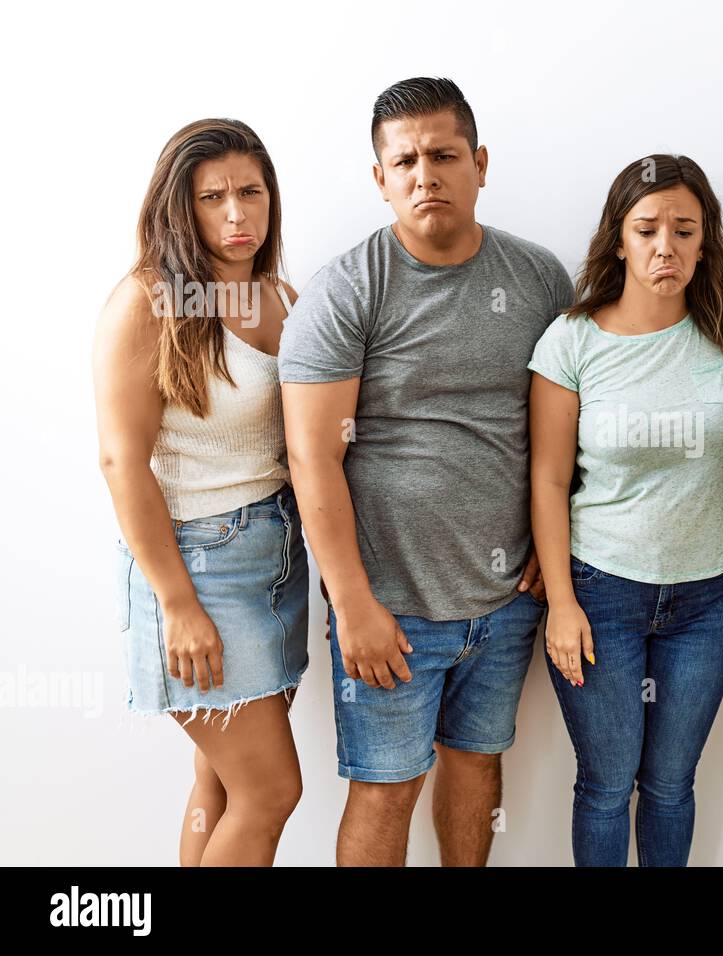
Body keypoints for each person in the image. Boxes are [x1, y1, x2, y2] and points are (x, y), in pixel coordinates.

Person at [277, 77, 574, 866]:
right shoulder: (349, 289)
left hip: (506, 601)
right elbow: (312, 459)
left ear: (479, 162)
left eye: (443, 155)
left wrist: (554, 547)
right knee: (385, 790)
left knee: (477, 769)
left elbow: (568, 426)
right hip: (389, 607)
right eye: (403, 160)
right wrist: (353, 604)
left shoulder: (540, 279)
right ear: (380, 178)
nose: (424, 174)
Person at [93, 118, 308, 865]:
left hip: (277, 555)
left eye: (251, 192)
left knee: (221, 780)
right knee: (272, 792)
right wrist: (178, 603)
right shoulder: (148, 302)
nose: (238, 214)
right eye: (213, 197)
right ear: (180, 208)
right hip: (198, 564)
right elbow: (123, 463)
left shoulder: (280, 296)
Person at [528, 154, 723, 866]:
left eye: (684, 230)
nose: (665, 247)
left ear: (704, 240)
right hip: (601, 595)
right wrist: (561, 602)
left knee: (672, 785)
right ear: (618, 239)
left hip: (706, 601)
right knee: (607, 784)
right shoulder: (572, 340)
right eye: (646, 228)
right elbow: (549, 480)